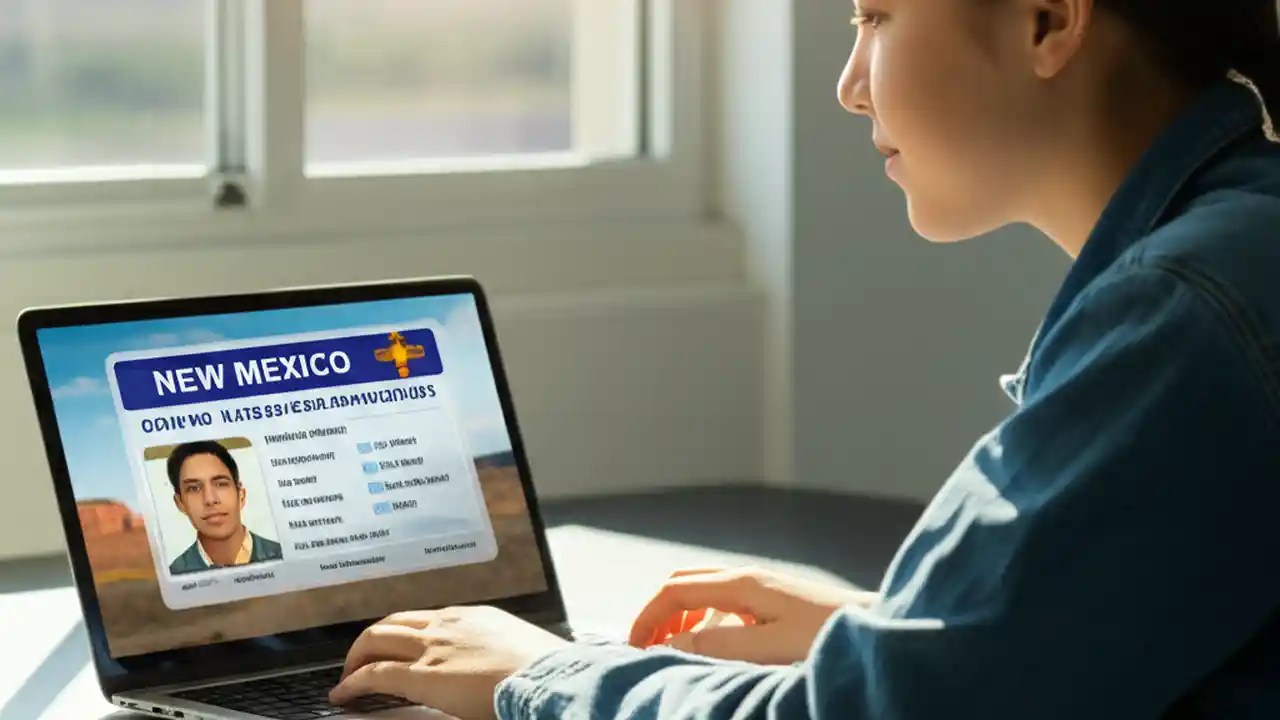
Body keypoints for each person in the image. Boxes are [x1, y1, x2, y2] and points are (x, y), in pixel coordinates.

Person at [328, 0, 1280, 717]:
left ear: (1047, 20)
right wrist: (886, 628)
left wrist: (543, 674)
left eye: (877, 17)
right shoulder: (1234, 250)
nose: (850, 84)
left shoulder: (1182, 312)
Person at [167, 440, 283, 575]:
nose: (210, 499)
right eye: (194, 488)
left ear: (241, 495)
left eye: (220, 484)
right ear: (180, 503)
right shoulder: (175, 573)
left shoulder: (282, 555)